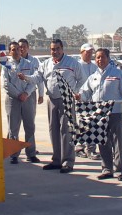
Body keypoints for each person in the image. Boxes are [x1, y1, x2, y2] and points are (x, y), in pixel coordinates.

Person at [78, 48, 122, 181]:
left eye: (102, 57)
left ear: (108, 58)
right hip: (99, 114)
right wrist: (79, 96)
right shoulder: (93, 77)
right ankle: (107, 169)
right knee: (102, 142)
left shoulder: (118, 73)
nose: (99, 60)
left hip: (115, 113)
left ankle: (121, 171)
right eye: (97, 58)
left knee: (118, 143)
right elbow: (85, 92)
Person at [32, 39, 85, 172]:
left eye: (57, 49)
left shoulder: (72, 63)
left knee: (66, 130)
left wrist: (75, 92)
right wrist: (25, 77)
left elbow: (82, 80)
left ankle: (68, 161)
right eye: (52, 49)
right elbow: (37, 77)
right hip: (52, 100)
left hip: (67, 100)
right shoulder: (46, 64)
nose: (54, 52)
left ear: (62, 49)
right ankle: (56, 160)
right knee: (53, 130)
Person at [2, 41, 38, 164]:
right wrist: (18, 94)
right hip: (13, 100)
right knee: (13, 128)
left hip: (27, 99)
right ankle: (14, 155)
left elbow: (33, 81)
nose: (16, 51)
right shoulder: (5, 65)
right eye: (13, 49)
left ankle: (31, 153)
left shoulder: (28, 64)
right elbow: (6, 84)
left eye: (18, 49)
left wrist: (26, 94)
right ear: (9, 52)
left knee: (30, 127)